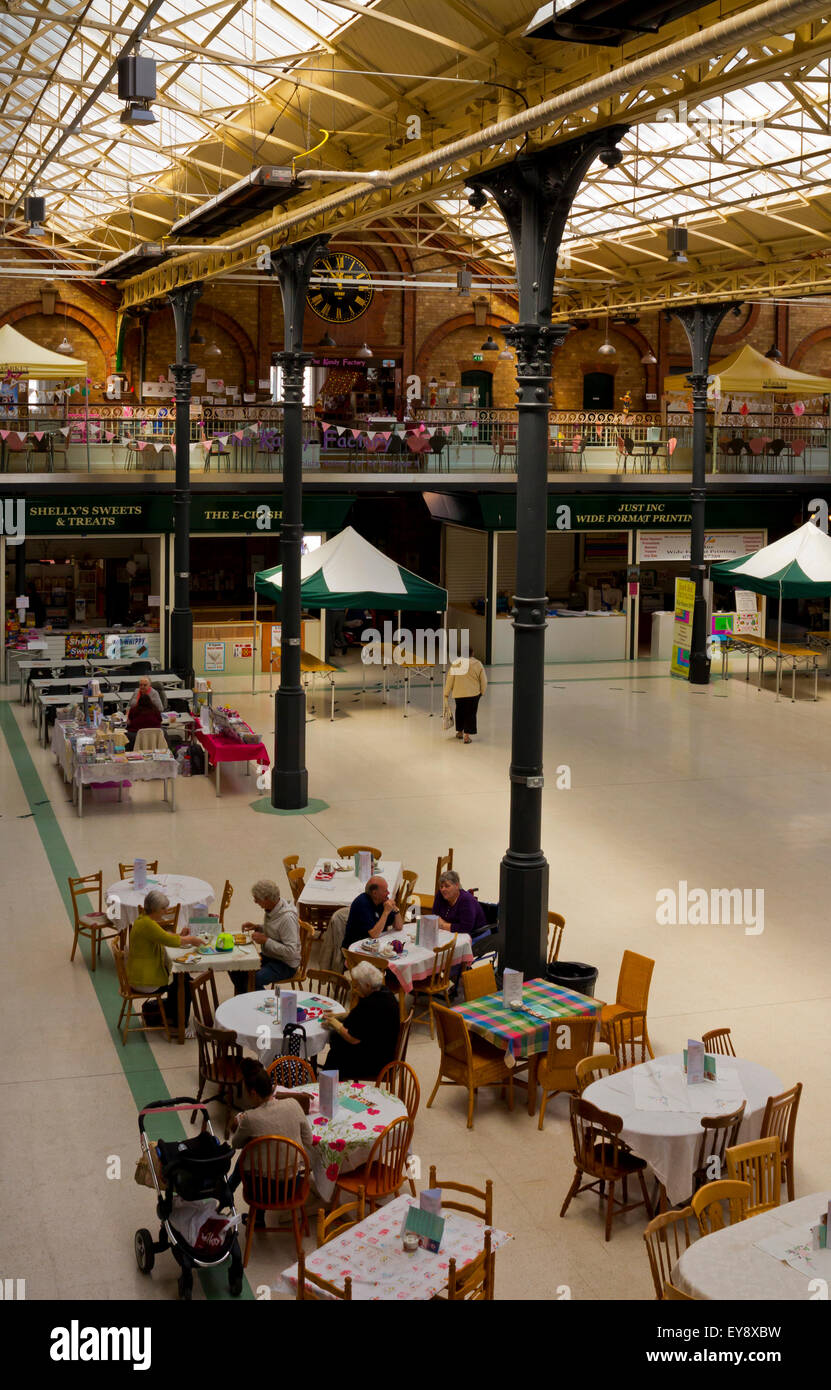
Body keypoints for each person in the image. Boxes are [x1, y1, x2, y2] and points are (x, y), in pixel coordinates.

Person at [228, 1060, 314, 1222]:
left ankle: (230, 1193)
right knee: (264, 1150)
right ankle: (233, 1194)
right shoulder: (293, 1104)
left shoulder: (249, 1118)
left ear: (253, 1093)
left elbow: (236, 1144)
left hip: (261, 1191)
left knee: (251, 1151)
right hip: (293, 1186)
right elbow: (308, 1140)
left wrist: (240, 1118)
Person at [126, 889, 203, 1029]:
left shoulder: (142, 920)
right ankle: (179, 1025)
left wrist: (180, 935)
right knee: (185, 984)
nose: (165, 911)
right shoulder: (148, 925)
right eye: (163, 909)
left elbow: (163, 937)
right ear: (154, 909)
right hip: (145, 981)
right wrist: (191, 939)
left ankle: (174, 1017)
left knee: (183, 978)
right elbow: (169, 940)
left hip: (139, 975)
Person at [321, 962, 400, 1080]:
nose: (355, 989)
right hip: (385, 1049)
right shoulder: (385, 992)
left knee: (336, 1052)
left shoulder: (370, 1004)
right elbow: (361, 1018)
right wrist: (338, 1016)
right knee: (336, 1041)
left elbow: (353, 1038)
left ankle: (329, 1088)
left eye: (357, 985)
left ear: (368, 985)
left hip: (376, 1061)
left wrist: (334, 1022)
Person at [230, 879, 300, 994]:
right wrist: (258, 927)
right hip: (271, 956)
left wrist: (266, 940)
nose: (255, 901)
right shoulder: (272, 908)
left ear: (267, 899)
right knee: (236, 968)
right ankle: (247, 998)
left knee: (254, 980)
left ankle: (264, 1004)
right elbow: (277, 932)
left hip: (285, 964)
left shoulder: (287, 919)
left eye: (257, 898)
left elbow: (291, 951)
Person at [343, 875, 402, 951]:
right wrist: (386, 912)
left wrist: (395, 909)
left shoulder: (382, 901)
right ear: (374, 893)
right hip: (356, 949)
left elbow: (399, 926)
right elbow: (374, 934)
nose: (388, 892)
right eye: (385, 890)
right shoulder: (362, 903)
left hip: (374, 945)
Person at [444, 651, 487, 743]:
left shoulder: (456, 664)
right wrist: (482, 692)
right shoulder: (478, 664)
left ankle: (460, 732)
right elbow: (484, 680)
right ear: (473, 654)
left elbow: (450, 679)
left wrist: (446, 693)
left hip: (459, 693)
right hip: (473, 694)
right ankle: (467, 736)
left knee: (459, 711)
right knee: (470, 714)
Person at [432, 869, 488, 938]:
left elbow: (466, 928)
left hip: (476, 935)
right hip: (452, 933)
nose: (443, 889)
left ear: (457, 886)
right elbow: (435, 916)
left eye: (447, 886)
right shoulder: (440, 895)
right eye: (441, 886)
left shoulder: (466, 900)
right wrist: (447, 925)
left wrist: (443, 925)